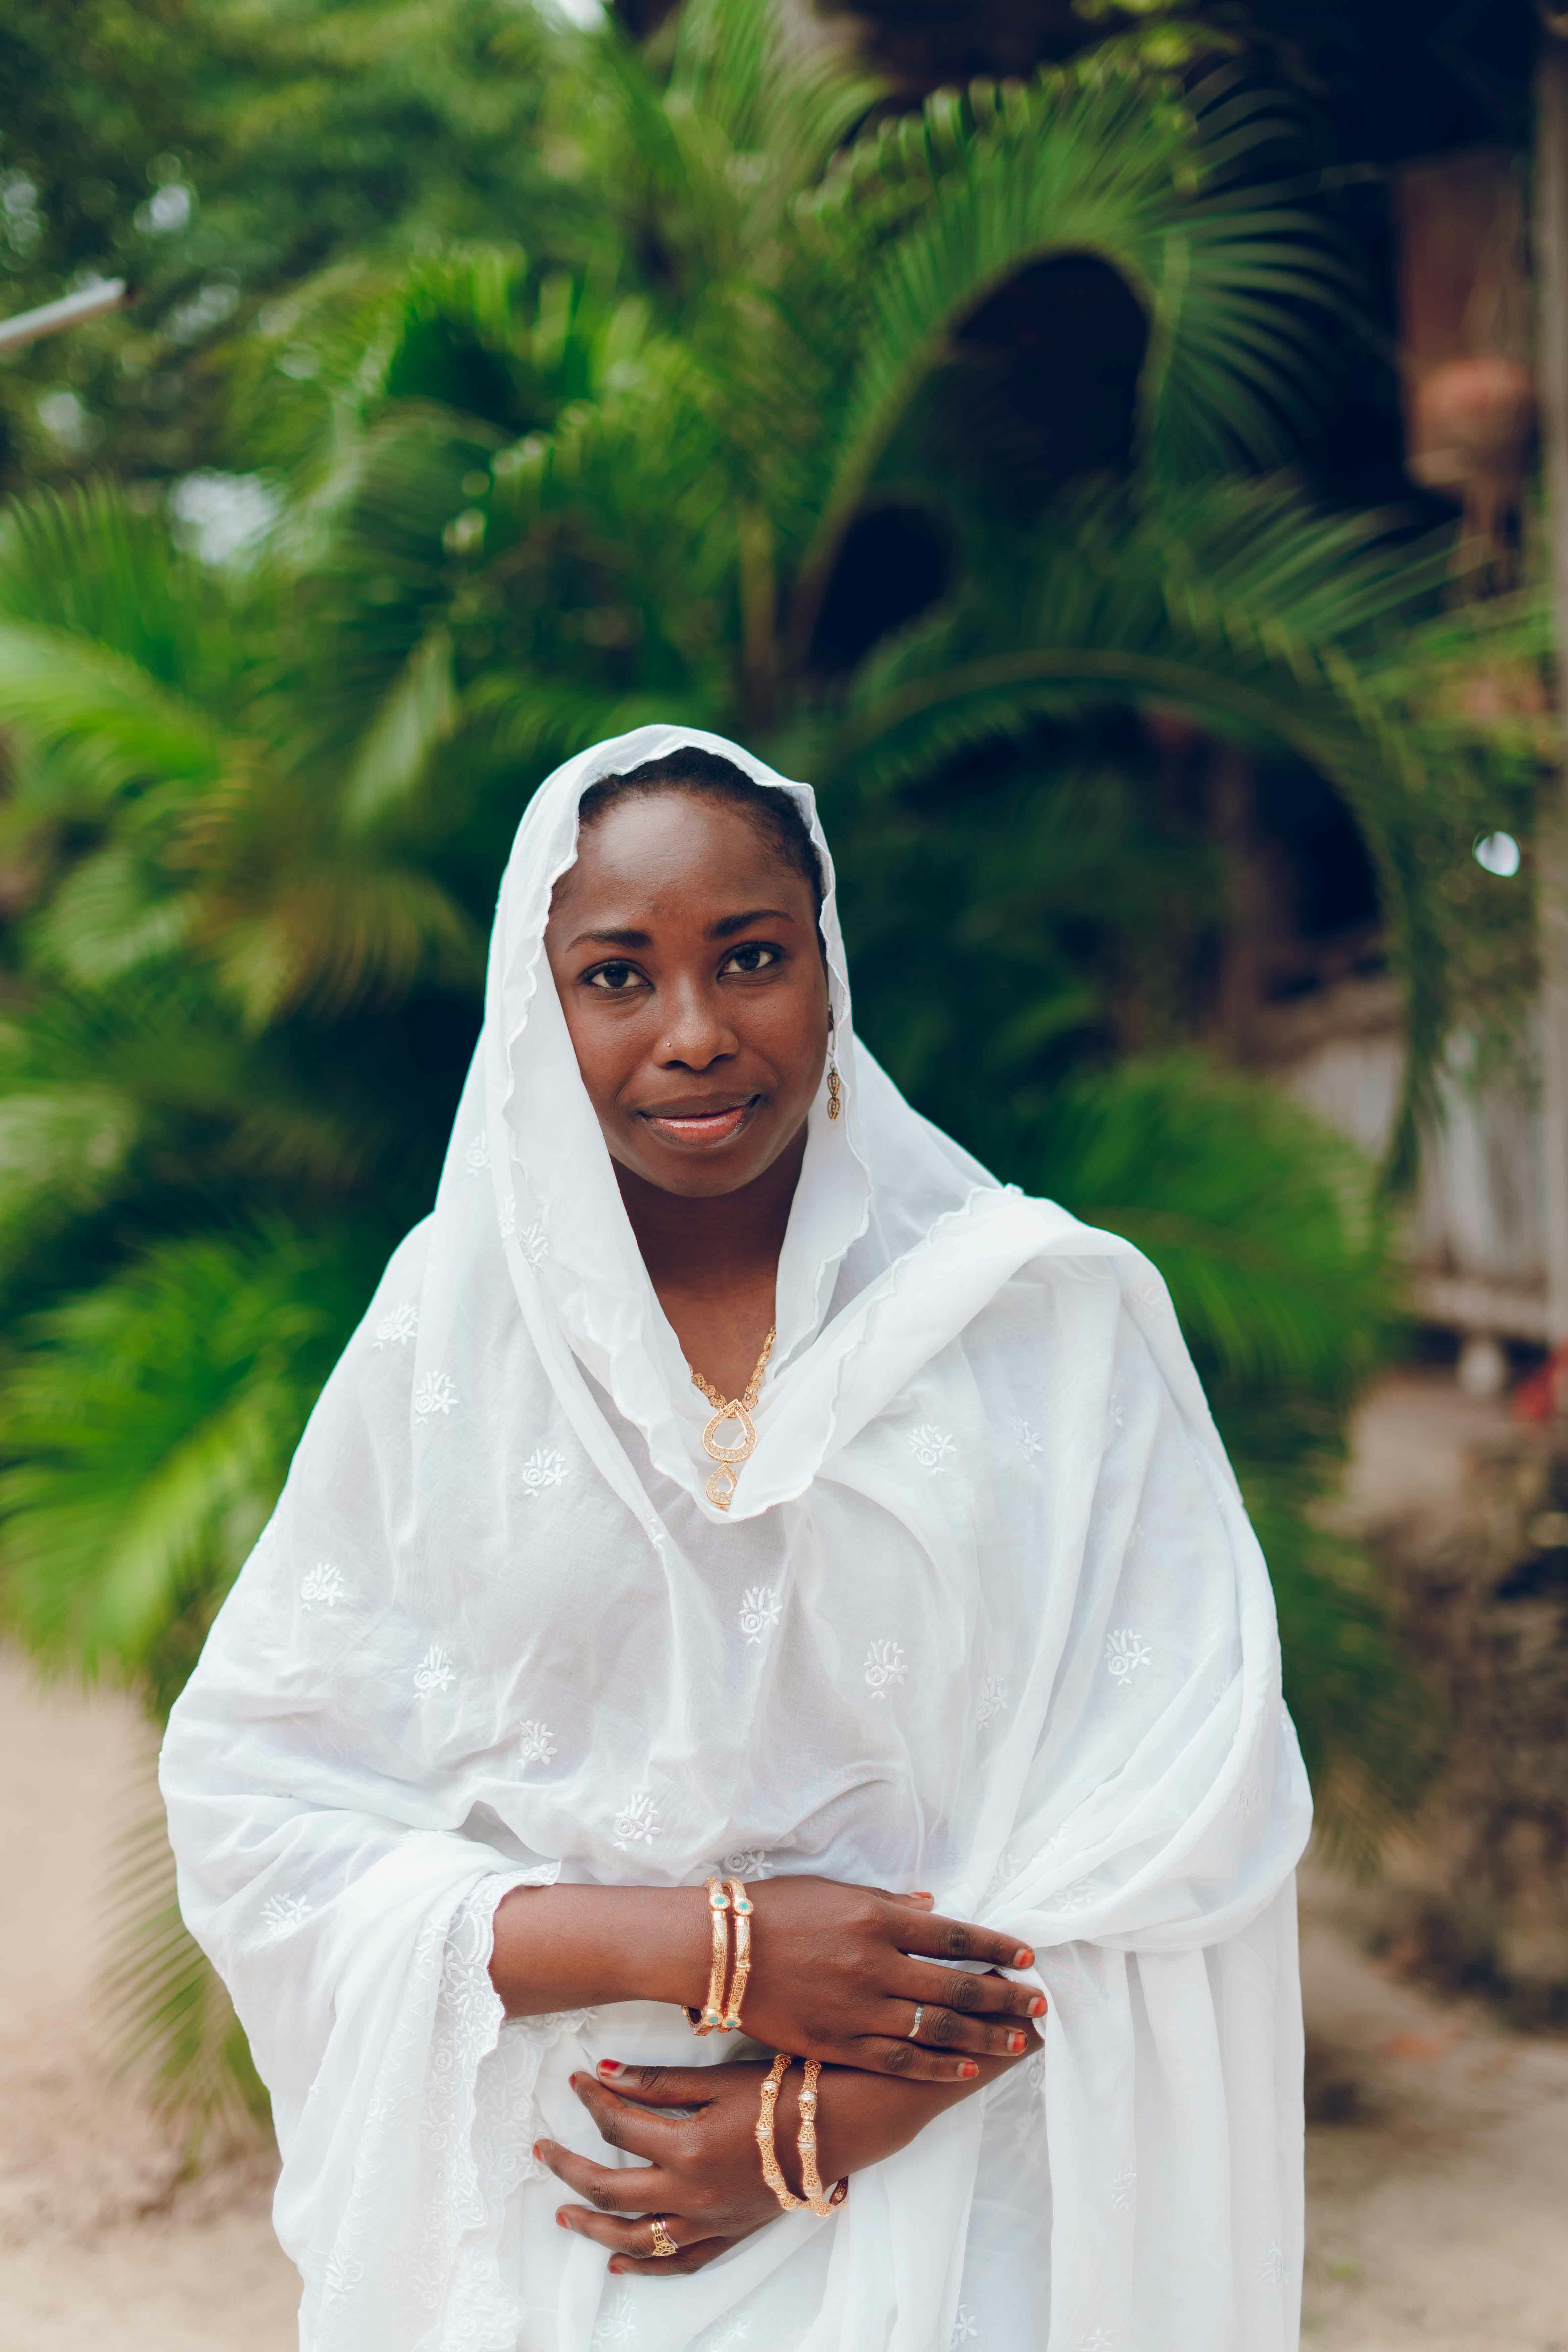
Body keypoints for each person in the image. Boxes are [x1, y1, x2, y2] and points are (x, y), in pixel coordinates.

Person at [160, 726, 1312, 2352]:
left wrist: (837, 2119)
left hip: (974, 2195)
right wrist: (708, 1950)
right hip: (571, 2214)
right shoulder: (454, 1339)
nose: (693, 1035)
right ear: (537, 1011)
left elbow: (1182, 1800)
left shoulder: (1041, 1322)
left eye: (750, 958)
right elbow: (261, 1804)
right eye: (616, 977)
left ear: (827, 967)